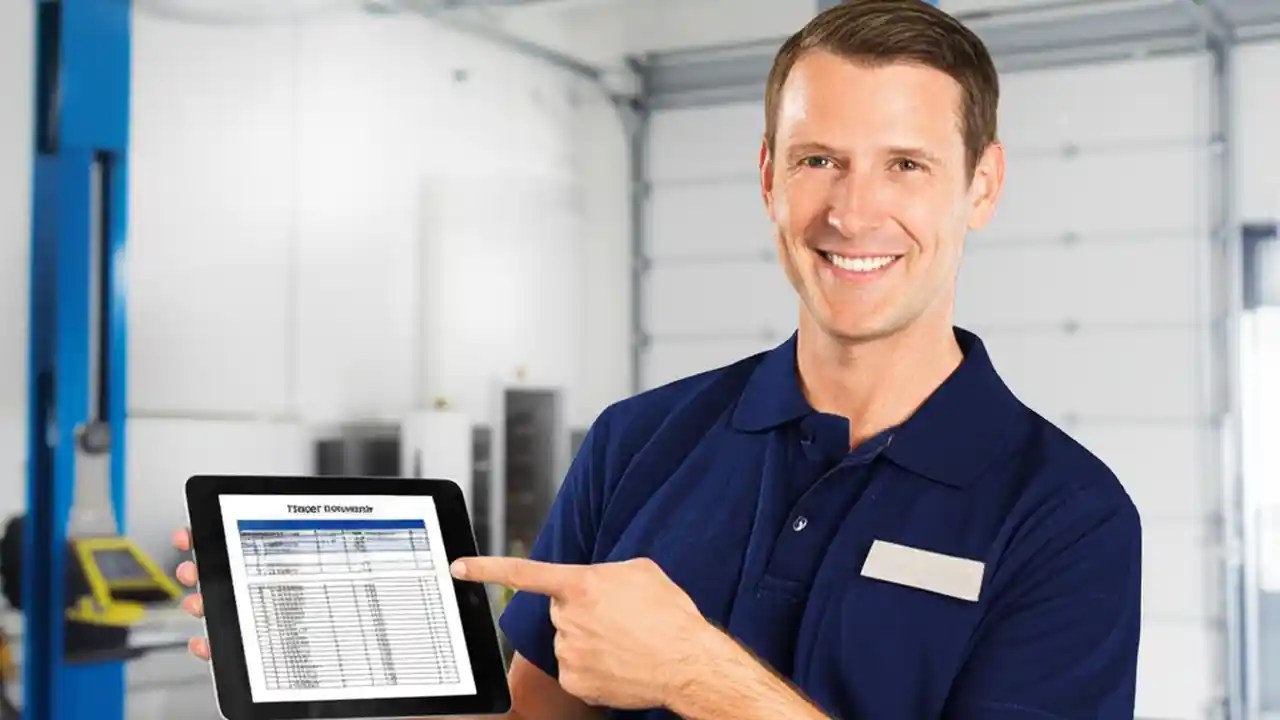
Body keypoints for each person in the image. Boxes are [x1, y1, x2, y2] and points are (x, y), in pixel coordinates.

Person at [175, 0, 1143, 717]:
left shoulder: (1068, 519)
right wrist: (338, 669)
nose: (852, 213)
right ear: (767, 176)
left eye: (905, 165)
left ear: (981, 186)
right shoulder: (638, 440)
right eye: (817, 160)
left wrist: (695, 673)